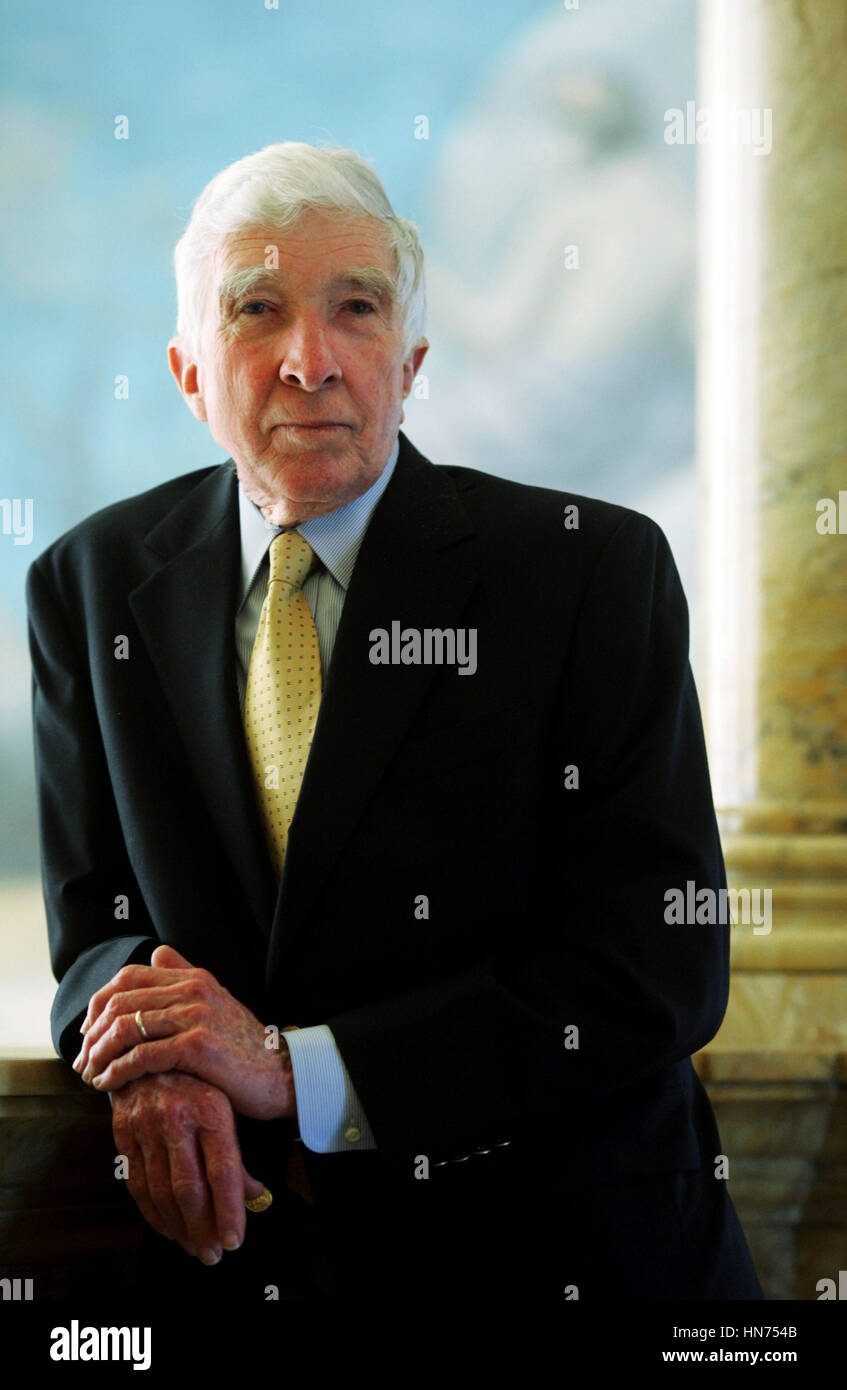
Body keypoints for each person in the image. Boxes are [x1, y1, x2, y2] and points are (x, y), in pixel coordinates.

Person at [27, 141, 762, 1303]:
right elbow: (96, 932)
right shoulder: (87, 580)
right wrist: (157, 1065)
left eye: (354, 309)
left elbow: (656, 966)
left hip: (560, 1267)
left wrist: (289, 1068)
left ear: (410, 362)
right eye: (257, 310)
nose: (309, 362)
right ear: (186, 371)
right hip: (238, 1262)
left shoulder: (588, 572)